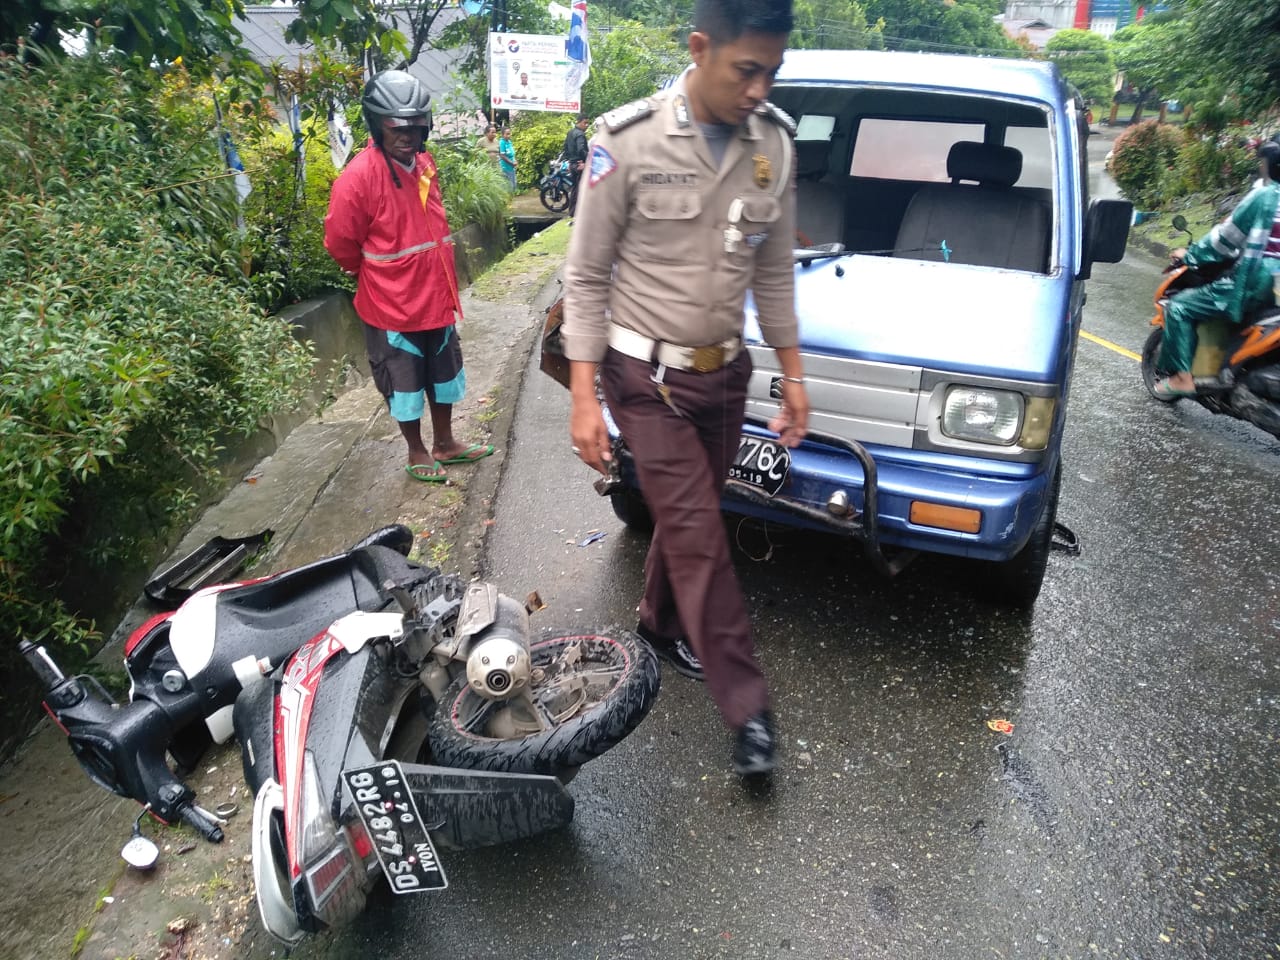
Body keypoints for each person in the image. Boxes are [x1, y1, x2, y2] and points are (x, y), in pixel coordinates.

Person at [560, 0, 807, 778]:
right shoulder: (627, 140)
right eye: (746, 70)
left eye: (773, 71)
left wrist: (793, 376)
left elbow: (772, 273)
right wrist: (581, 395)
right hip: (645, 378)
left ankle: (657, 623)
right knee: (699, 532)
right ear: (700, 49)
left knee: (691, 509)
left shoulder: (773, 146)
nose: (760, 88)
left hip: (726, 375)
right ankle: (749, 709)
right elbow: (587, 271)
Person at [324, 70, 495, 483]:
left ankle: (445, 442)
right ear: (377, 124)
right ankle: (417, 450)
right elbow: (340, 241)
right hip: (391, 304)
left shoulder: (424, 164)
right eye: (395, 126)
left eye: (415, 127)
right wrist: (370, 273)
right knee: (403, 385)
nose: (406, 135)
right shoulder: (358, 177)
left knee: (443, 374)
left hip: (435, 296)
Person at [1154, 135, 1280, 398]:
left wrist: (1189, 254)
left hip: (1258, 279)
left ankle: (1182, 378)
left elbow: (1224, 239)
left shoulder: (1265, 196)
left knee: (1179, 307)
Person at [562, 114, 590, 215]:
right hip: (580, 164)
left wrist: (569, 161)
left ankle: (572, 212)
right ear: (578, 122)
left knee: (575, 188)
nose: (586, 125)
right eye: (585, 123)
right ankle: (578, 212)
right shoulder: (580, 134)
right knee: (581, 189)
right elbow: (581, 149)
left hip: (573, 164)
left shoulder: (570, 133)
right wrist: (588, 159)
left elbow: (565, 149)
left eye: (588, 123)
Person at [498, 125, 518, 191]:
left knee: (514, 185)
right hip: (505, 167)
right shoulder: (502, 143)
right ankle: (508, 199)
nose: (509, 135)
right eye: (507, 134)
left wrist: (515, 160)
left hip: (511, 167)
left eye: (509, 134)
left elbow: (512, 154)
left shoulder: (509, 142)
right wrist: (512, 163)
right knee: (510, 186)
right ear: (503, 134)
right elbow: (502, 155)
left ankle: (510, 198)